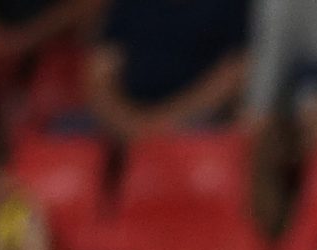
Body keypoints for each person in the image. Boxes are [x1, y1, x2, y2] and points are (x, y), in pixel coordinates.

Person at [88, 0, 252, 145]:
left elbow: (235, 72)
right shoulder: (128, 5)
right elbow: (100, 77)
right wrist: (129, 124)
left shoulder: (231, 5)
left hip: (200, 123)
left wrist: (162, 124)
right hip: (125, 123)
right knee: (72, 135)